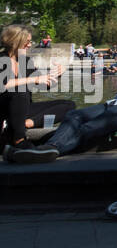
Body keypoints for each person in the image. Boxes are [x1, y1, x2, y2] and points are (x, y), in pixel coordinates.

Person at [8, 24, 117, 163]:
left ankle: (49, 150)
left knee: (90, 127)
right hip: (115, 103)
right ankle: (44, 149)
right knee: (74, 116)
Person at [1, 24, 74, 159]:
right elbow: (4, 85)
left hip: (23, 109)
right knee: (20, 92)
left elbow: (43, 84)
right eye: (27, 42)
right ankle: (19, 140)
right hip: (5, 108)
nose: (30, 45)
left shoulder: (25, 61)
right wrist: (32, 80)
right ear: (16, 41)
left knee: (69, 105)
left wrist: (55, 75)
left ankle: (25, 123)